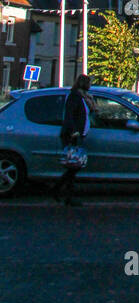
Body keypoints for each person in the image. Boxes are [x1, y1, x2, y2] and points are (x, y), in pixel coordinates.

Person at [53, 74, 95, 207]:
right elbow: (70, 114)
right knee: (73, 165)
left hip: (79, 134)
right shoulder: (75, 96)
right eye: (89, 83)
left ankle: (59, 190)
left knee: (74, 166)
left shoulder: (84, 97)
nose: (90, 86)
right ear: (83, 84)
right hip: (73, 135)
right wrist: (74, 131)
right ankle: (64, 193)